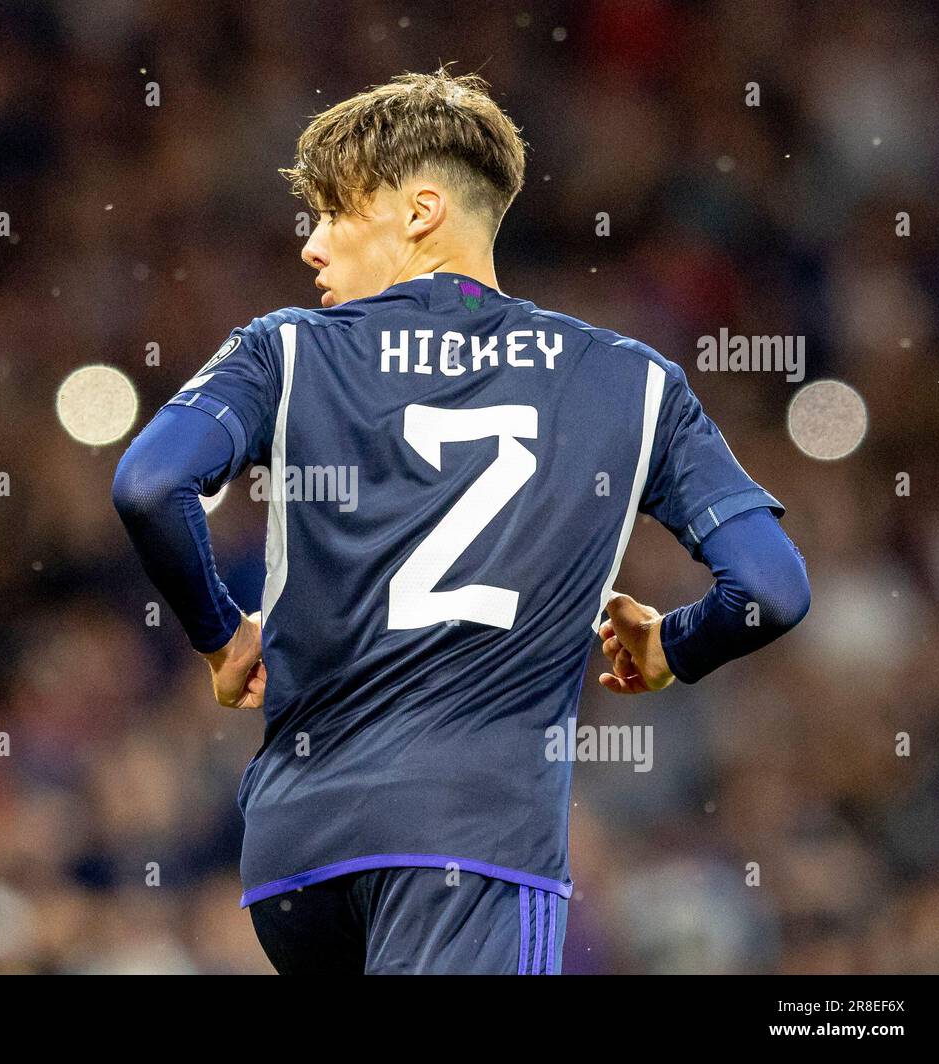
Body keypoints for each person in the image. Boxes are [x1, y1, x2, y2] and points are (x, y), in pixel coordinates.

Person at [112, 69, 810, 974]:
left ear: (421, 210)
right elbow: (771, 589)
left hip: (294, 858)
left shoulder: (282, 349)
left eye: (335, 213)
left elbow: (148, 485)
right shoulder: (631, 384)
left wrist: (216, 635)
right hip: (470, 848)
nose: (312, 248)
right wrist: (677, 646)